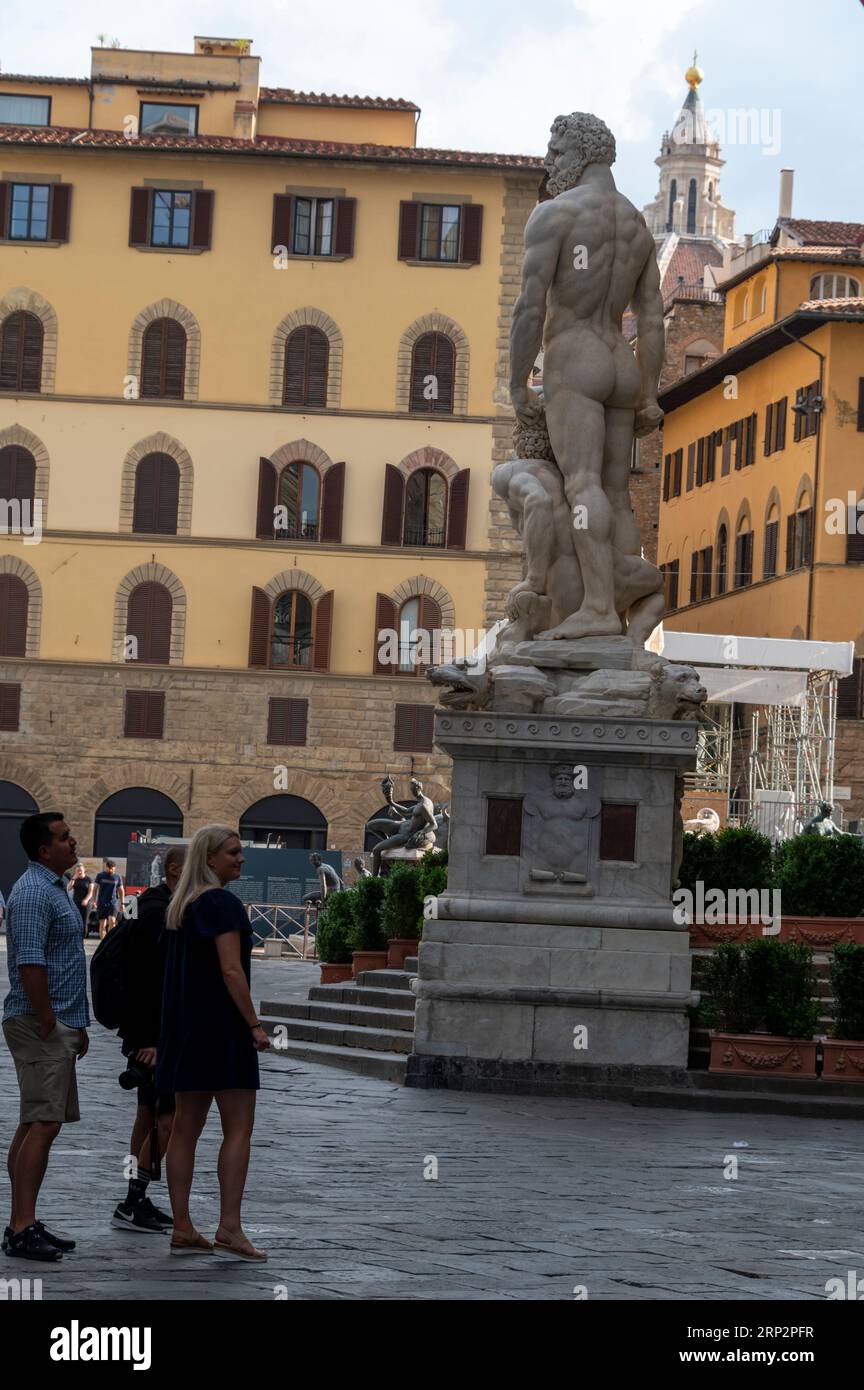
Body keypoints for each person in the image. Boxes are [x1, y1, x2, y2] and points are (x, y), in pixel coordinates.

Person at [158, 826, 270, 1259]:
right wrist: (254, 1025)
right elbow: (231, 971)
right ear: (210, 858)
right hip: (222, 1029)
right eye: (233, 852)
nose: (241, 859)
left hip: (186, 1029)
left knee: (185, 1127)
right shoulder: (222, 903)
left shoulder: (182, 905)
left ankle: (182, 1225)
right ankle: (230, 1226)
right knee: (238, 1127)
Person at [2, 812, 89, 1262]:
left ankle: (22, 1221)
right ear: (43, 850)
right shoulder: (35, 892)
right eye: (64, 838)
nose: (73, 843)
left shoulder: (51, 887)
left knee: (34, 1120)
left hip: (55, 1023)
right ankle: (22, 1226)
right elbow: (30, 964)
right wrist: (48, 1020)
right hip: (41, 1024)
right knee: (45, 1123)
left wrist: (78, 1023)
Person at [112, 845, 186, 1235]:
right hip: (154, 1036)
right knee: (166, 1117)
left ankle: (134, 1200)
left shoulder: (146, 903)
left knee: (148, 1114)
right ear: (175, 869)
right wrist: (151, 1038)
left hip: (144, 1032)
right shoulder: (159, 911)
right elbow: (147, 980)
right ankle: (133, 1200)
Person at [94, 860, 124, 938]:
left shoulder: (117, 877)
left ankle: (110, 941)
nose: (111, 870)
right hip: (102, 903)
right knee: (102, 924)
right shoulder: (100, 875)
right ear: (106, 867)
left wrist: (122, 903)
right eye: (109, 868)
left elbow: (121, 890)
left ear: (115, 868)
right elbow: (95, 888)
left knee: (112, 921)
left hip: (113, 902)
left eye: (113, 869)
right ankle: (103, 943)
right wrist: (94, 900)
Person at [67, 864, 94, 936]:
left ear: (84, 871)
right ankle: (76, 935)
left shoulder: (89, 879)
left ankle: (83, 936)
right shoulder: (75, 879)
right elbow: (68, 888)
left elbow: (90, 892)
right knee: (75, 919)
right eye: (77, 871)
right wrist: (73, 878)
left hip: (86, 903)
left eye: (80, 870)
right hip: (76, 901)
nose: (79, 872)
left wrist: (86, 900)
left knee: (84, 920)